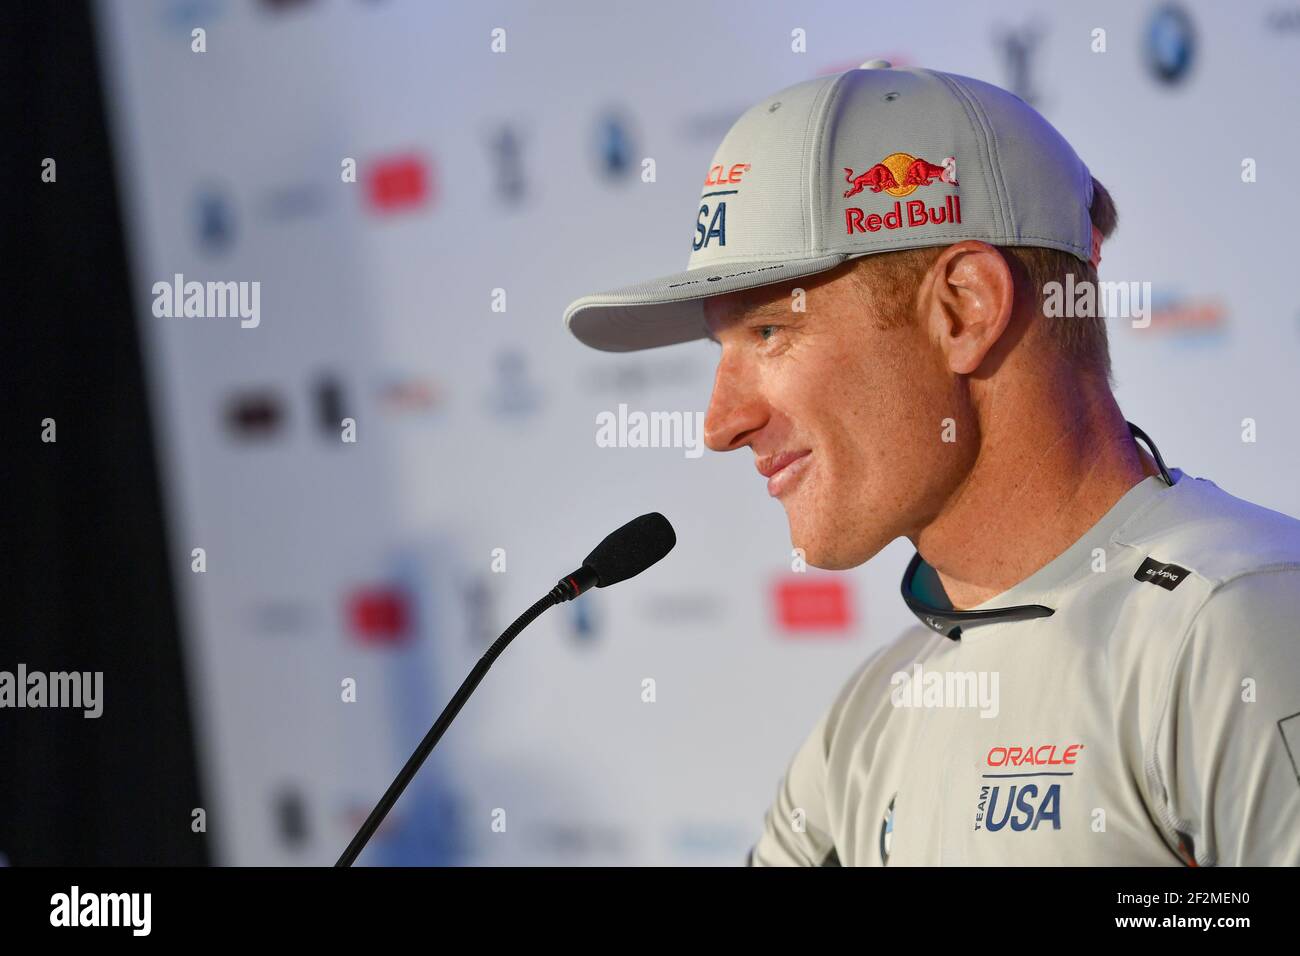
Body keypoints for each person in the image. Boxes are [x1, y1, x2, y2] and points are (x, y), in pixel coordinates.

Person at [563, 63, 1300, 865]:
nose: (720, 425)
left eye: (769, 332)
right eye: (723, 346)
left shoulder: (1237, 622)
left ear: (965, 309)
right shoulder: (871, 719)